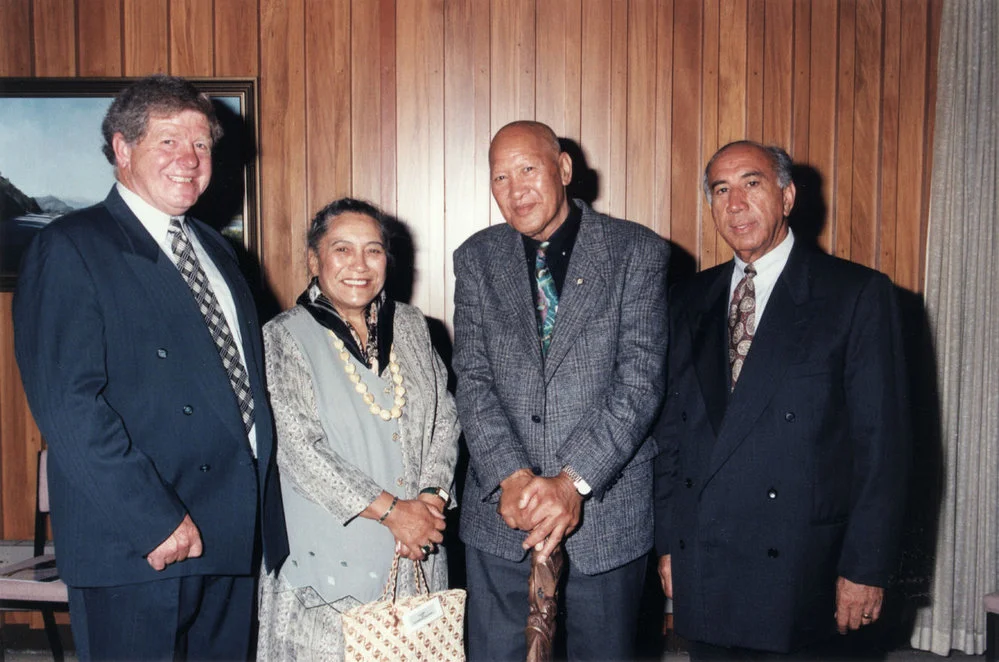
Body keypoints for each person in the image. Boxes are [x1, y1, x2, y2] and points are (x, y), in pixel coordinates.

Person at [12, 74, 288, 660]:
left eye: (202, 145)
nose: (189, 160)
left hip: (230, 532)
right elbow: (69, 409)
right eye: (168, 141)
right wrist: (156, 521)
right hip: (141, 541)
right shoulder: (71, 246)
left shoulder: (215, 249)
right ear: (122, 148)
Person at [654, 140, 909, 659]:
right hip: (707, 556)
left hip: (803, 564)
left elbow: (884, 448)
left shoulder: (855, 294)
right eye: (721, 190)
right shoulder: (688, 299)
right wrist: (669, 544)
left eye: (752, 183)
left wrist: (865, 568)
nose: (735, 203)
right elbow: (672, 434)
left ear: (788, 197)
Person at [453, 120, 670, 661]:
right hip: (505, 514)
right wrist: (512, 474)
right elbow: (473, 378)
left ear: (565, 169)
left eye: (528, 169)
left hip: (605, 518)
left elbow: (639, 382)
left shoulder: (635, 252)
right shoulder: (476, 258)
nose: (515, 188)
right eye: (499, 176)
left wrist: (573, 482)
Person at [256, 197, 459, 659]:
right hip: (329, 558)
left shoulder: (410, 325)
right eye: (341, 249)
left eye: (373, 250)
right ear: (314, 259)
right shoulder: (283, 337)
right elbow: (299, 450)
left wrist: (430, 497)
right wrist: (394, 513)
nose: (359, 265)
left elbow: (445, 418)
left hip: (417, 546)